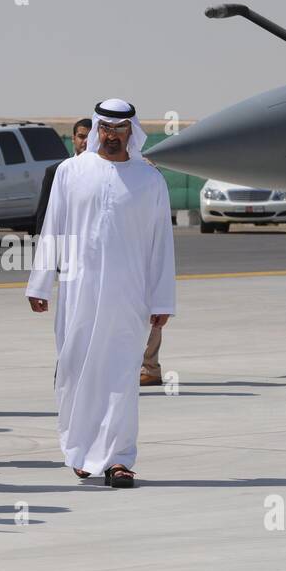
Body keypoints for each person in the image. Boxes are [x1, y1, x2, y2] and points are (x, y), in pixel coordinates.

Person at [26, 99, 176, 488]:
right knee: (74, 370)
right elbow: (53, 228)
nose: (111, 135)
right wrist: (41, 282)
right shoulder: (70, 172)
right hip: (77, 292)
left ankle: (119, 460)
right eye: (105, 128)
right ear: (96, 129)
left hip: (129, 297)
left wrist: (161, 301)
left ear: (132, 131)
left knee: (122, 377)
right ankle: (80, 451)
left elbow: (162, 243)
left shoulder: (149, 179)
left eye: (120, 128)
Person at [35, 118, 90, 232]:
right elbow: (44, 214)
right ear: (73, 139)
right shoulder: (57, 171)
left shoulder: (107, 172)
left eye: (91, 137)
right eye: (81, 136)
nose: (86, 141)